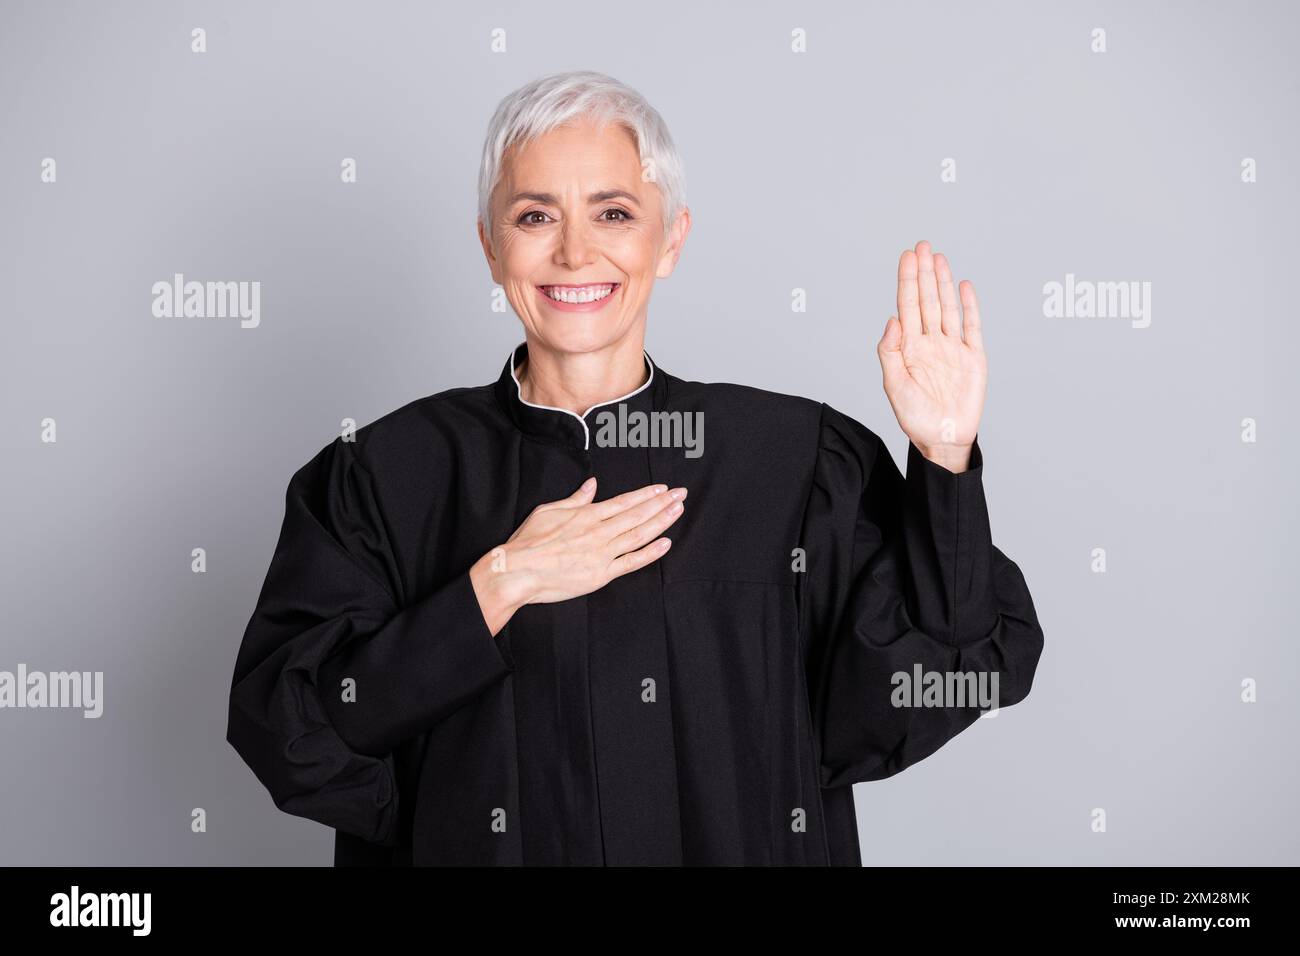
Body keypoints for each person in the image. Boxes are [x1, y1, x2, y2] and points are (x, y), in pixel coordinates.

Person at [226, 70, 1045, 866]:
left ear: (670, 240)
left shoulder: (791, 464)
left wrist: (943, 461)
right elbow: (296, 737)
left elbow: (945, 677)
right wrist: (492, 589)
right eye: (535, 215)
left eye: (613, 213)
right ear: (489, 246)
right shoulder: (383, 479)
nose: (575, 252)